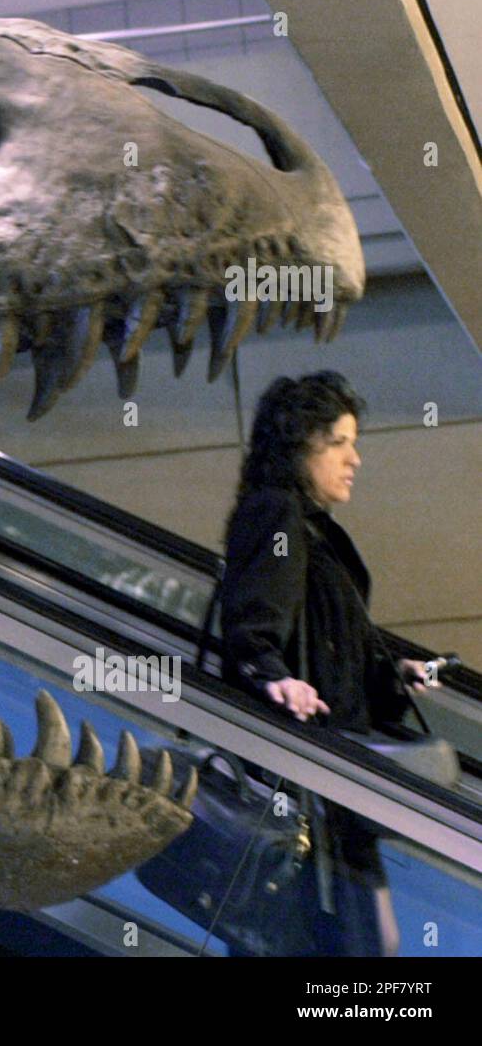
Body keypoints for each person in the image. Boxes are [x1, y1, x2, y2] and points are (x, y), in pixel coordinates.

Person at [220, 370, 438, 956]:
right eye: (339, 443)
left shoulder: (311, 529)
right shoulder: (277, 516)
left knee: (360, 945)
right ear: (300, 449)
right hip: (312, 777)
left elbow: (326, 638)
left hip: (331, 777)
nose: (355, 459)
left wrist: (392, 669)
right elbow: (253, 623)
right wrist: (275, 679)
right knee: (363, 947)